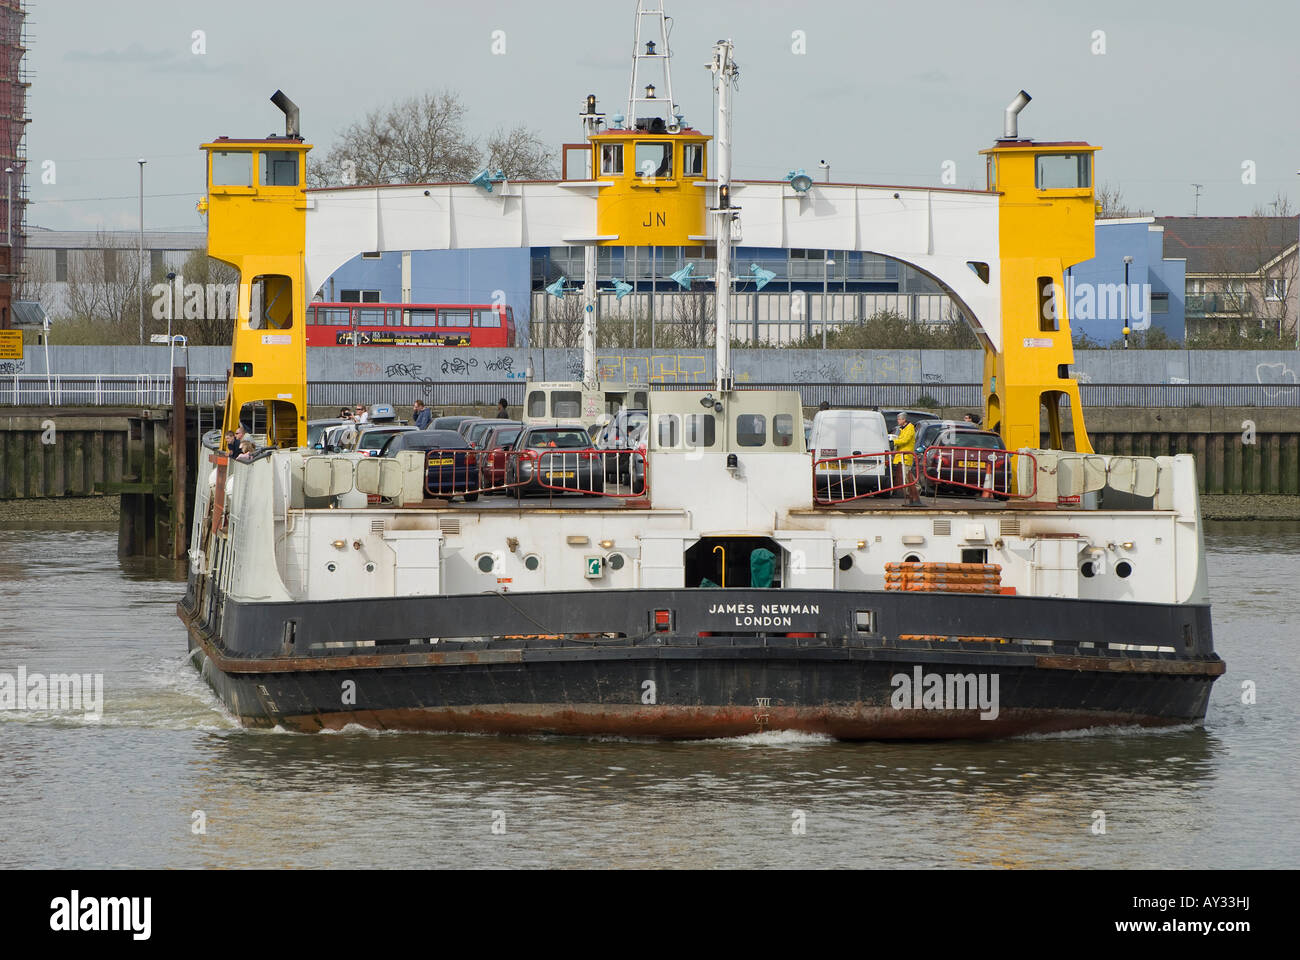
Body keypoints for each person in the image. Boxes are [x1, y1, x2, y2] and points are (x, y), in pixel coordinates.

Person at [892, 413, 921, 504]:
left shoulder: (910, 428)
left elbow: (905, 440)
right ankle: (913, 491)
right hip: (901, 455)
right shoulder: (902, 429)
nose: (898, 421)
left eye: (899, 419)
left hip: (906, 456)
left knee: (907, 475)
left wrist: (894, 442)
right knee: (907, 475)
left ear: (904, 420)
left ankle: (914, 491)